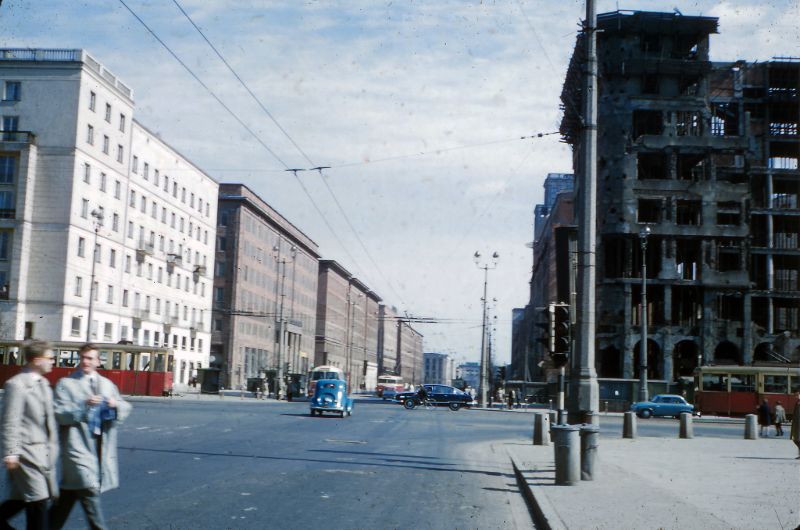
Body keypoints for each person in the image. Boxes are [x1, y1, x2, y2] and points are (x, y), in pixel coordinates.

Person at [50, 344, 131, 530]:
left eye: (90, 358)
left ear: (98, 361)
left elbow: (124, 407)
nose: (85, 362)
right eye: (83, 357)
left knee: (67, 499)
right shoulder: (66, 384)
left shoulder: (107, 385)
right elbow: (59, 413)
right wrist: (83, 404)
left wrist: (114, 404)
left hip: (100, 447)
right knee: (89, 490)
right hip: (76, 447)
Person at [0, 340, 59, 530]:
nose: (53, 361)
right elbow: (10, 421)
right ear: (36, 360)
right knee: (39, 501)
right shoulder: (17, 385)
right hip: (26, 454)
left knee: (19, 500)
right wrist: (11, 453)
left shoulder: (44, 384)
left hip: (42, 454)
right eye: (50, 358)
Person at [791, 393, 800, 459]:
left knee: (796, 439)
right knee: (795, 439)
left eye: (797, 395)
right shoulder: (797, 402)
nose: (796, 397)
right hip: (796, 424)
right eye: (795, 396)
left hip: (798, 424)